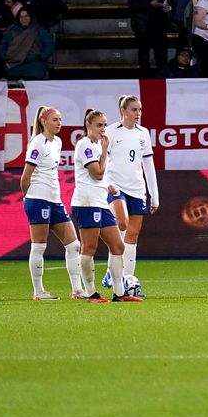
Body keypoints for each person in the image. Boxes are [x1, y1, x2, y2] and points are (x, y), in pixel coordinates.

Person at [70, 109, 135, 302]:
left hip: (100, 202)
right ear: (88, 125)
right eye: (99, 125)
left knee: (118, 245)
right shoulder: (85, 145)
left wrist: (108, 185)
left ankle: (119, 293)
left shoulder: (96, 146)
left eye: (105, 125)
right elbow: (97, 173)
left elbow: (101, 177)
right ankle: (90, 293)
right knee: (89, 247)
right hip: (86, 202)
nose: (103, 129)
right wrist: (105, 150)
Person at [20, 106, 84, 300]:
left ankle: (77, 290)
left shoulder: (57, 142)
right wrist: (28, 198)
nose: (59, 123)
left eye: (60, 119)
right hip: (38, 199)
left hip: (55, 201)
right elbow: (25, 177)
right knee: (39, 246)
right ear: (43, 121)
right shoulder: (37, 143)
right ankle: (39, 291)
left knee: (73, 245)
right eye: (55, 119)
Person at [103, 95, 158, 294]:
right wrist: (107, 183)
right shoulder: (111, 132)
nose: (138, 113)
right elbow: (102, 160)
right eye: (134, 109)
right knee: (122, 224)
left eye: (140, 110)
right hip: (116, 187)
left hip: (137, 189)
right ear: (123, 110)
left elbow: (148, 164)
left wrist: (154, 195)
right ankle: (113, 270)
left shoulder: (143, 133)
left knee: (132, 237)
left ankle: (127, 281)